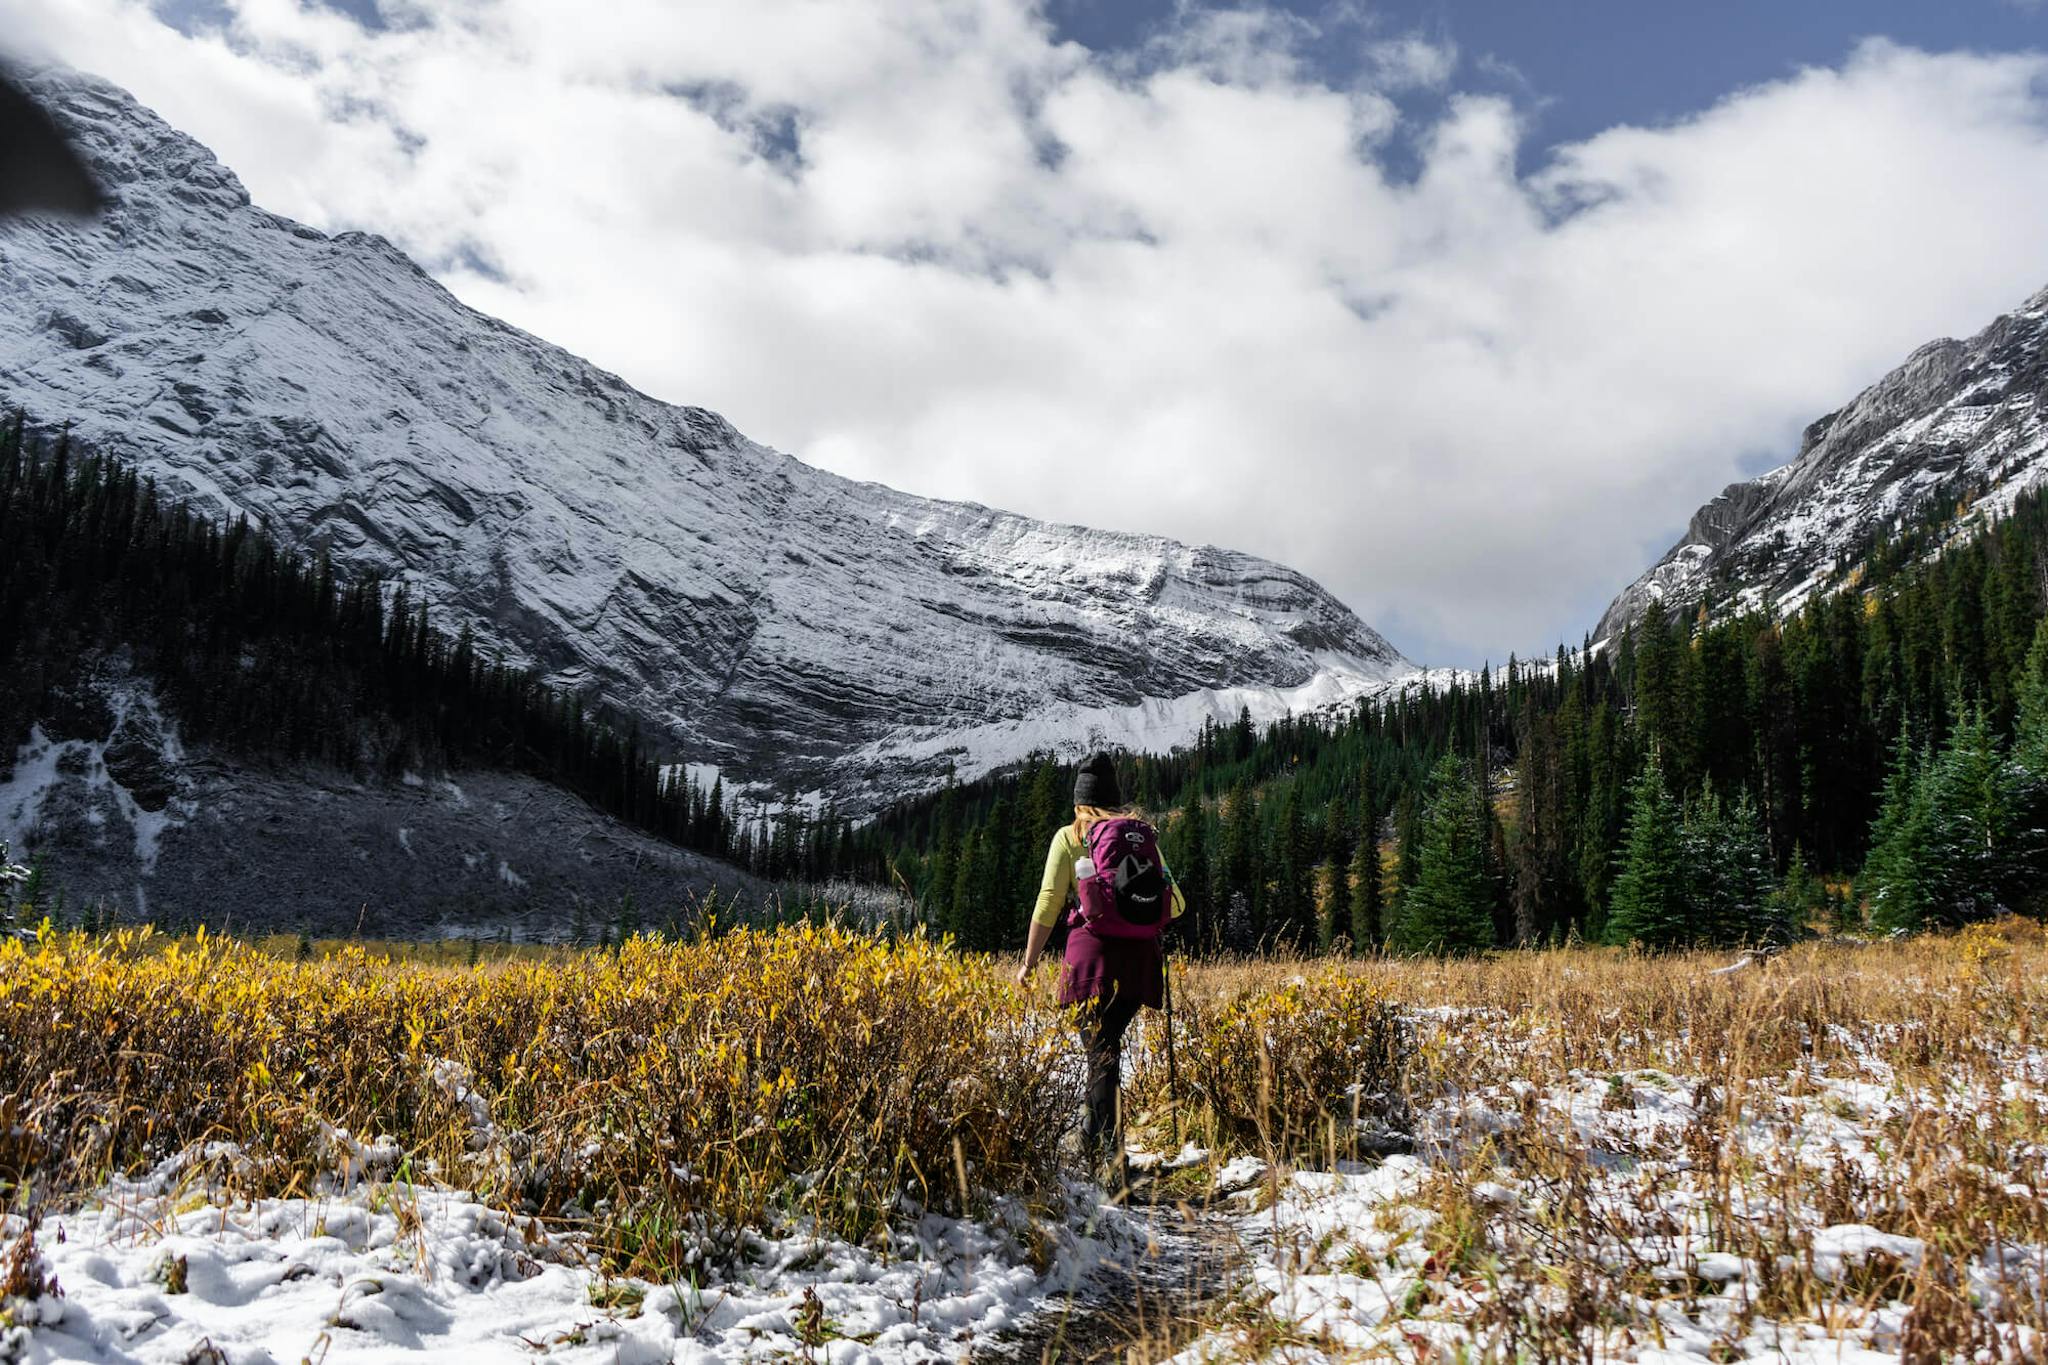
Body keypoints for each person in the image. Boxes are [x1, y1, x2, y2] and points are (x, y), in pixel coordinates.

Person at [1015, 751, 1183, 1184]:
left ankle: (1113, 1169)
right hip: (1139, 963)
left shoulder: (1070, 838)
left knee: (1100, 1056)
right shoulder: (1140, 836)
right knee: (1105, 1051)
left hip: (1090, 963)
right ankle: (1091, 1142)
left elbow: (1049, 901)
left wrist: (1028, 963)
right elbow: (1177, 903)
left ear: (1079, 802)